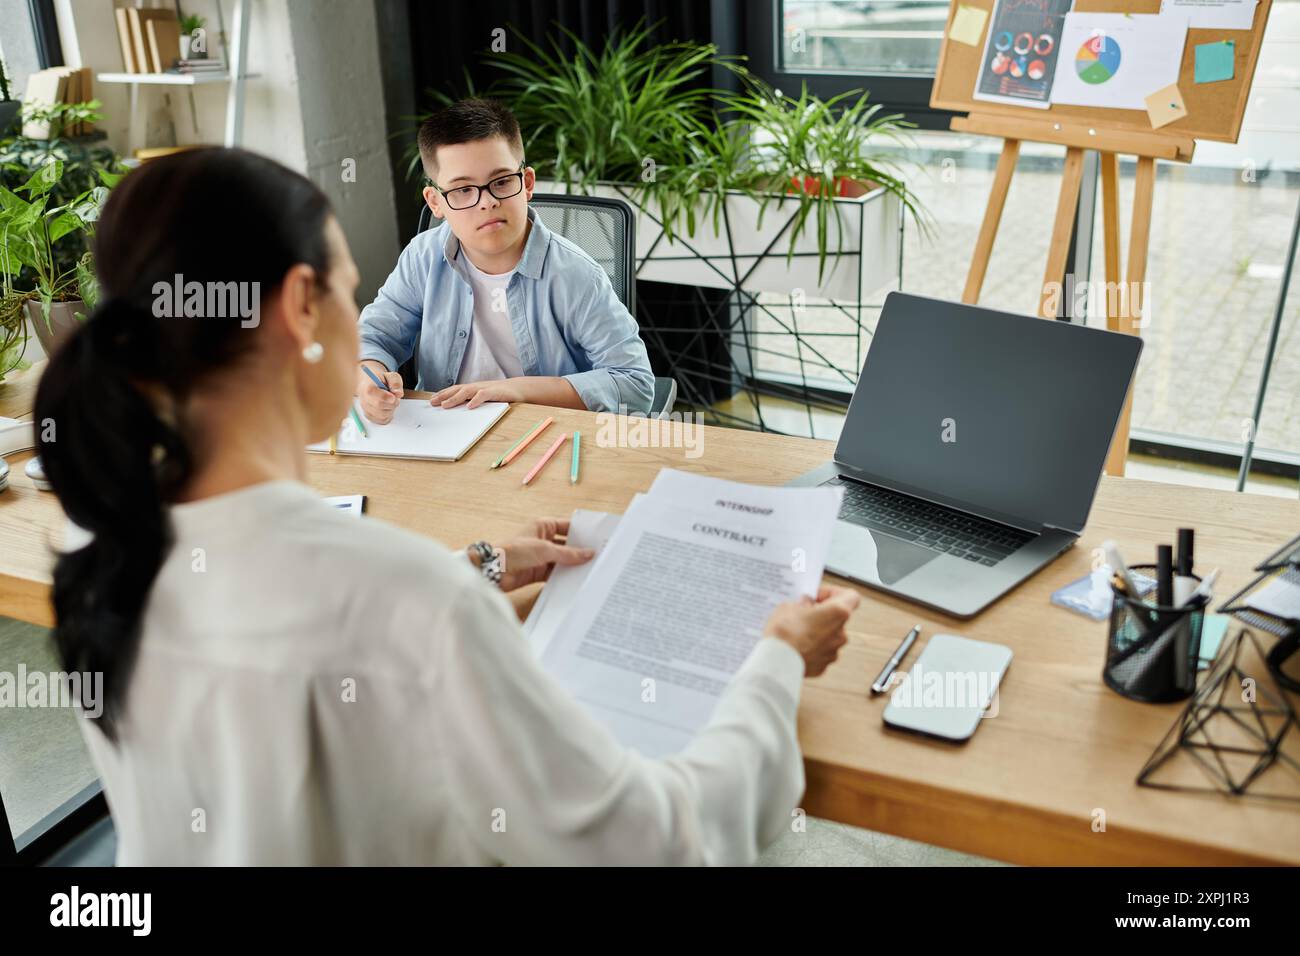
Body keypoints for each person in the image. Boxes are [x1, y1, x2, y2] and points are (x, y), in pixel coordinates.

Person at [34, 147, 860, 865]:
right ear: (297, 308)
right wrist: (777, 660)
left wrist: (477, 568)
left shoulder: (105, 540)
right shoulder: (406, 602)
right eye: (348, 295)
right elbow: (656, 842)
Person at [356, 97, 654, 422]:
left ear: (526, 183)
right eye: (463, 190)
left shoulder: (576, 274)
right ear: (436, 202)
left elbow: (634, 383)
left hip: (542, 435)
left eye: (500, 182)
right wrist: (369, 373)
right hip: (442, 431)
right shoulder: (422, 258)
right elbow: (374, 336)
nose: (486, 203)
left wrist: (516, 390)